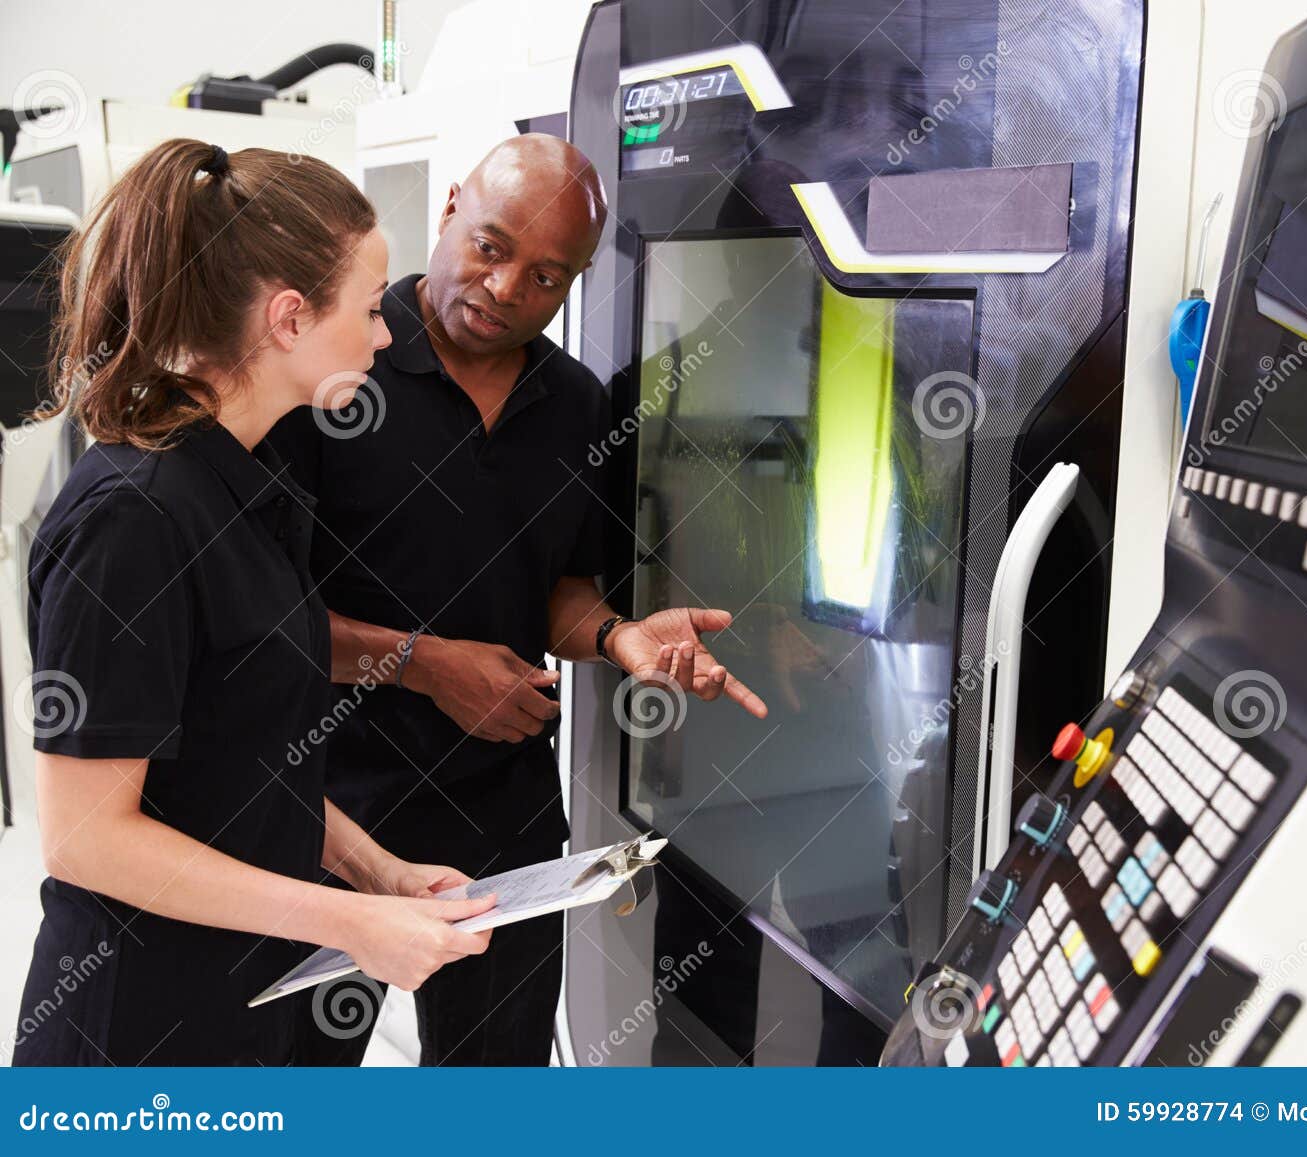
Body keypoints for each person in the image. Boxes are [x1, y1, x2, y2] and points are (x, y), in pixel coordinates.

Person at [265, 133, 767, 1066]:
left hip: (508, 822)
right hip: (332, 810)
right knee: (297, 1077)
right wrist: (428, 666)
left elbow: (555, 591)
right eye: (492, 247)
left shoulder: (576, 406)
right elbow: (257, 628)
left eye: (547, 277)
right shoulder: (335, 374)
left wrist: (620, 639)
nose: (505, 290)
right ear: (452, 205)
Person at [9, 139, 500, 1067]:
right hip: (139, 1034)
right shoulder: (135, 518)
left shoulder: (249, 483)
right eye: (368, 310)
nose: (386, 334)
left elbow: (246, 762)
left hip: (251, 1007)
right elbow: (85, 839)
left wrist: (378, 873)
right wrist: (349, 919)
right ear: (288, 319)